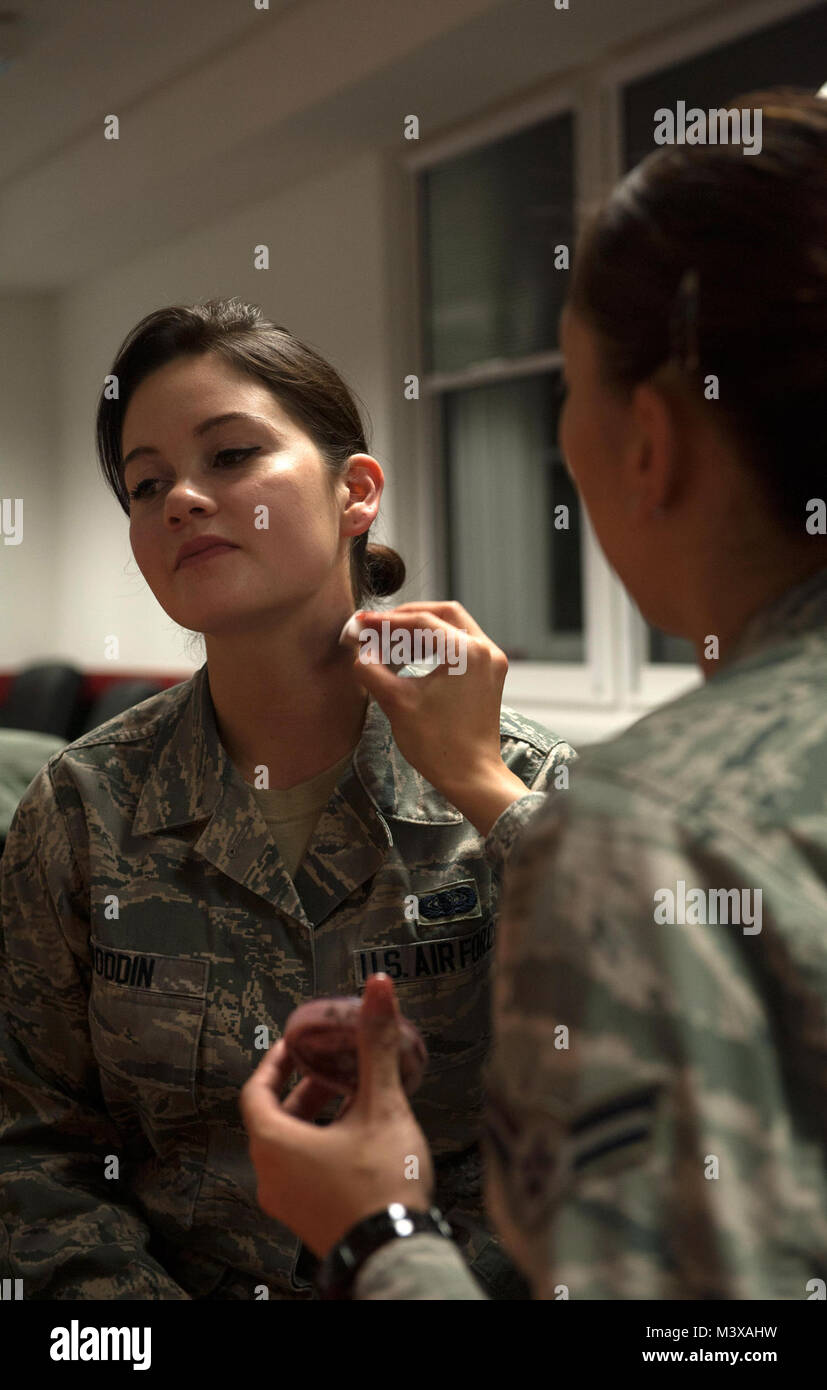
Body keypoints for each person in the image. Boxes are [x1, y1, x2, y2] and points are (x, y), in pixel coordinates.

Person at [240, 87, 827, 1299]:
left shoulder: (648, 822)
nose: (190, 503)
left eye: (565, 384)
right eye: (144, 480)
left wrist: (371, 1235)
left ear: (649, 440)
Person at [0, 300, 575, 1300]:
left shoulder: (525, 786)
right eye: (145, 483)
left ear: (355, 492)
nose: (180, 497)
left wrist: (486, 793)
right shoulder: (80, 809)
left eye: (228, 456)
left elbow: (672, 1081)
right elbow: (30, 1146)